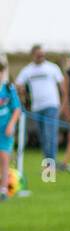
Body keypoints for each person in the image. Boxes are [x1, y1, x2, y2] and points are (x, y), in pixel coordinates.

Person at [17, 46, 65, 167]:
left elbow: (63, 86)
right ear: (33, 55)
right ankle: (48, 163)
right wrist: (23, 93)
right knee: (43, 137)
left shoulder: (52, 68)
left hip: (51, 105)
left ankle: (51, 165)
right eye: (38, 54)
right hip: (37, 108)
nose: (41, 56)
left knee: (50, 135)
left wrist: (65, 104)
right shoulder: (27, 70)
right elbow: (19, 84)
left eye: (42, 54)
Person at [0, 60, 20, 199]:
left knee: (4, 157)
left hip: (5, 128)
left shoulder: (8, 88)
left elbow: (17, 109)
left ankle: (3, 189)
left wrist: (11, 124)